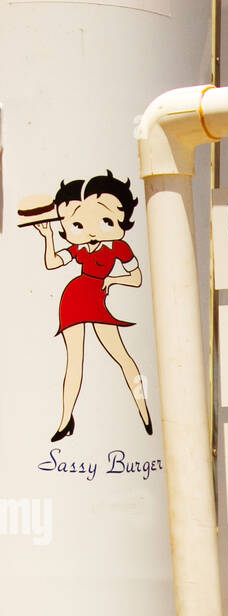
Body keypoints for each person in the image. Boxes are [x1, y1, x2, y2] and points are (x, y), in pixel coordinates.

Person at [32, 171, 152, 440]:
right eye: (78, 224)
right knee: (74, 362)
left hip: (97, 297)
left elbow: (137, 277)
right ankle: (65, 421)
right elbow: (52, 263)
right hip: (74, 298)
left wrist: (113, 278)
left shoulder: (119, 248)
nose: (91, 231)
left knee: (122, 356)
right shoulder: (80, 249)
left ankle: (144, 412)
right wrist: (49, 235)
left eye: (106, 220)